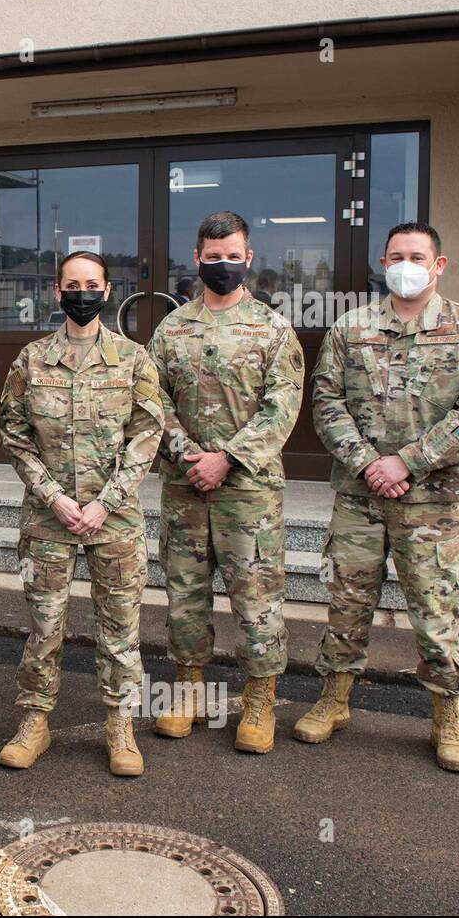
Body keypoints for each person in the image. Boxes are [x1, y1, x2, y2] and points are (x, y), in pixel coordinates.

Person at [297, 221, 459, 772]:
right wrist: (370, 463)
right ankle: (335, 700)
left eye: (416, 255)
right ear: (382, 263)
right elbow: (327, 404)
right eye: (395, 255)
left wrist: (405, 462)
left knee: (435, 613)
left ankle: (447, 718)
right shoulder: (351, 327)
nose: (404, 264)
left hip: (431, 502)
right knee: (346, 604)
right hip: (361, 497)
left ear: (439, 265)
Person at [0, 252, 163, 776]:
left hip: (113, 523)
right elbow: (15, 436)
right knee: (44, 627)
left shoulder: (134, 359)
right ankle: (35, 721)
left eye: (92, 284)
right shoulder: (32, 360)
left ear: (108, 291)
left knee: (120, 630)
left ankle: (120, 725)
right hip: (49, 522)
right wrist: (55, 498)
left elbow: (146, 436)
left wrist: (103, 503)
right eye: (73, 284)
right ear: (57, 291)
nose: (82, 292)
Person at [148, 211, 305, 754]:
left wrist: (227, 459)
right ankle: (191, 692)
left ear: (249, 258)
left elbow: (282, 407)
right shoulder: (171, 328)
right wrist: (188, 452)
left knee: (256, 599)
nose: (223, 265)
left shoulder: (273, 329)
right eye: (213, 257)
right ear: (197, 258)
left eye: (232, 255)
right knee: (184, 597)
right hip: (184, 485)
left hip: (248, 493)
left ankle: (260, 701)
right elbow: (153, 401)